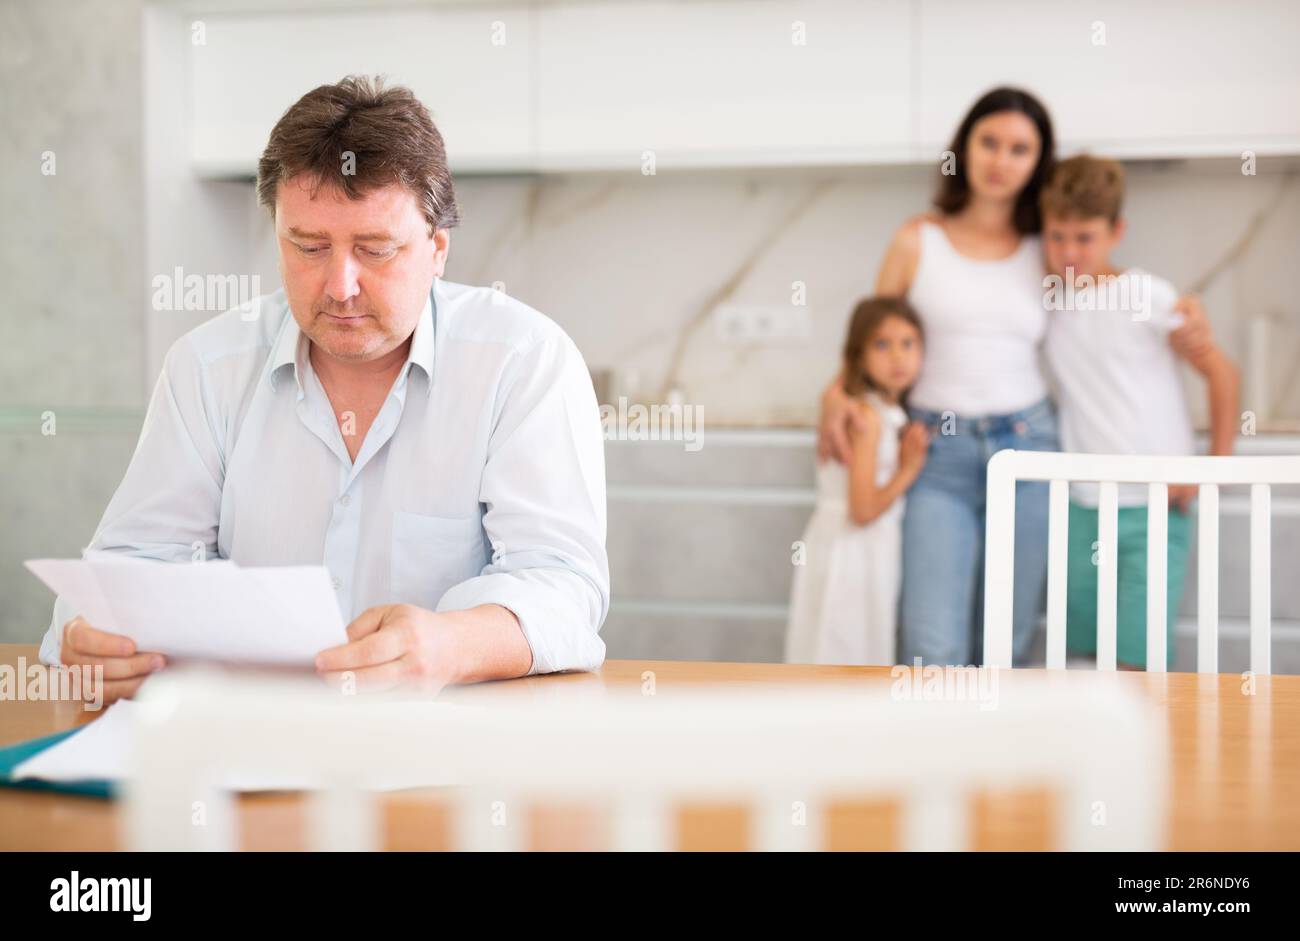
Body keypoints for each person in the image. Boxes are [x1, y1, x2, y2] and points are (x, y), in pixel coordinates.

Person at [38, 76, 610, 702]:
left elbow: (561, 584)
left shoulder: (523, 362)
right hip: (247, 732)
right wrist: (89, 633)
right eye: (309, 247)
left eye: (375, 249)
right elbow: (131, 564)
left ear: (437, 248)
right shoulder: (207, 367)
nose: (340, 286)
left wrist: (451, 645)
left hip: (448, 736)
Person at [816, 86, 1217, 667]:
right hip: (936, 453)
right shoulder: (917, 240)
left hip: (1029, 450)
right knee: (932, 644)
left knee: (1005, 645)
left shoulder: (1046, 247)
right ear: (964, 148)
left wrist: (1188, 310)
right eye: (989, 142)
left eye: (1020, 149)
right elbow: (869, 343)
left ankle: (999, 734)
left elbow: (1112, 289)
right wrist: (835, 398)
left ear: (1038, 163)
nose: (1001, 161)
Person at [1039, 155, 1240, 669]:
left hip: (1154, 505)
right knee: (1082, 655)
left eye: (1084, 237)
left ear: (1116, 232)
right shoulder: (1049, 300)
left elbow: (1222, 374)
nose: (1068, 251)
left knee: (1138, 660)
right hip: (1082, 506)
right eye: (1057, 236)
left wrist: (1213, 468)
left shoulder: (1147, 295)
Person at [786, 297, 928, 665]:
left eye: (908, 343)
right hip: (852, 551)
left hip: (860, 547)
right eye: (882, 344)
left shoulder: (886, 411)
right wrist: (909, 469)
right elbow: (862, 511)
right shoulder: (867, 417)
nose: (897, 357)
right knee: (844, 650)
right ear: (858, 355)